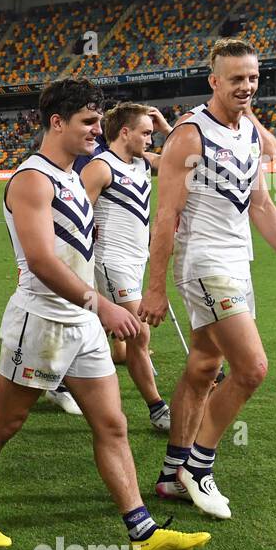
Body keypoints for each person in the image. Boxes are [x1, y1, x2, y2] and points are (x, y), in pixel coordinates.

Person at [0, 77, 212, 550]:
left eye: (99, 121)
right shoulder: (32, 178)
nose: (97, 130)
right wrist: (105, 305)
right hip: (41, 322)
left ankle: (142, 532)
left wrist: (96, 310)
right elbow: (43, 262)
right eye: (88, 122)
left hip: (84, 323)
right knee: (4, 424)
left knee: (112, 425)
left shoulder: (74, 173)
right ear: (57, 122)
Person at [140, 39, 276, 520]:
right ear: (214, 81)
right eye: (236, 78)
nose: (246, 86)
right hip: (204, 266)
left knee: (203, 366)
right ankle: (199, 468)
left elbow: (260, 205)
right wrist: (155, 288)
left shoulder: (247, 133)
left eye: (253, 78)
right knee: (252, 369)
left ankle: (171, 472)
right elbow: (167, 218)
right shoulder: (188, 136)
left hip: (237, 264)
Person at [80, 102, 170, 431]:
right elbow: (76, 214)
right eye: (145, 133)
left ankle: (56, 377)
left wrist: (165, 127)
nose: (150, 139)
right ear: (125, 132)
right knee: (139, 332)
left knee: (105, 333)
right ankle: (158, 408)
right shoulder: (100, 167)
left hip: (136, 260)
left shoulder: (142, 162)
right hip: (110, 261)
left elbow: (186, 163)